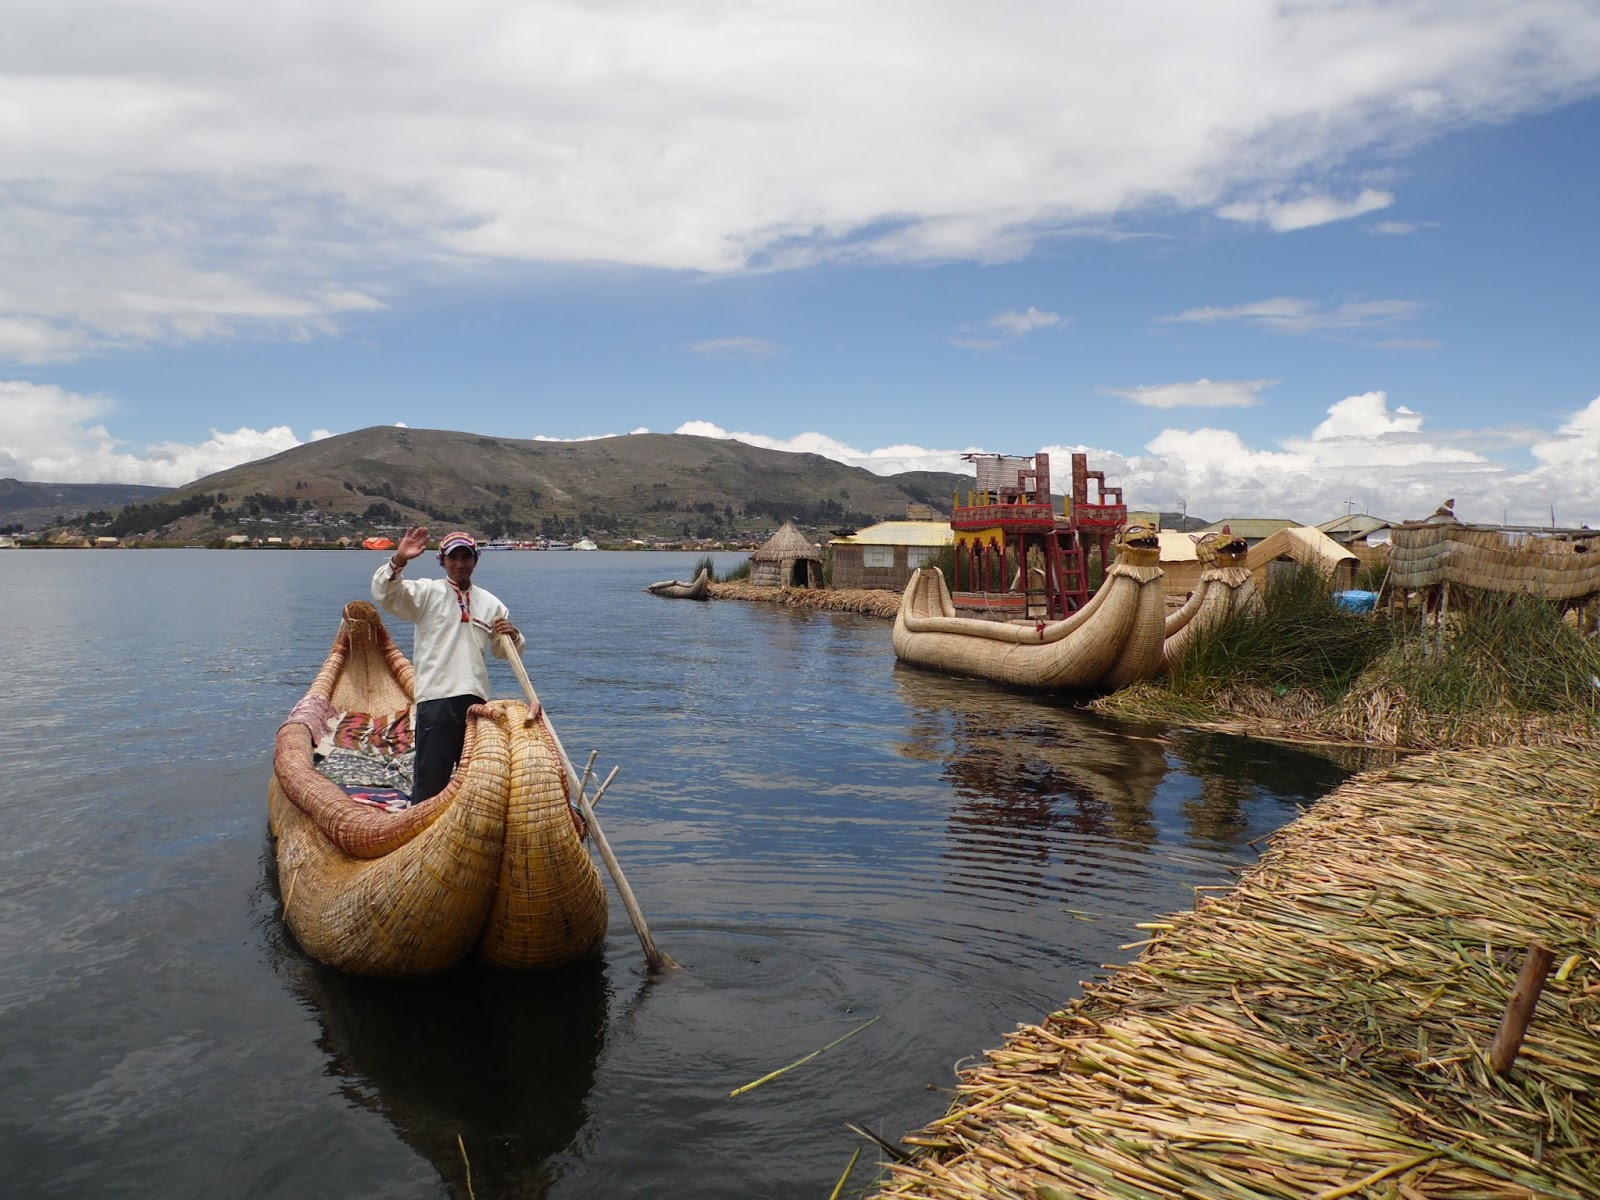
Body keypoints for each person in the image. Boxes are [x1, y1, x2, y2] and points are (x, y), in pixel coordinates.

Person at [371, 526, 525, 803]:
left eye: (466, 558)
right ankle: (419, 833)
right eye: (453, 558)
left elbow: (504, 651)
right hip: (437, 699)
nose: (459, 564)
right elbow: (386, 594)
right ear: (442, 561)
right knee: (431, 780)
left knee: (476, 781)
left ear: (475, 561)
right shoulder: (426, 594)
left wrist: (513, 635)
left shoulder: (491, 604)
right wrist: (399, 559)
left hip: (476, 702)